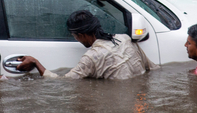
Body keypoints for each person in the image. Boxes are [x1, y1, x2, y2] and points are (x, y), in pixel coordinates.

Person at [16, 9, 157, 79]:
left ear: (82, 35)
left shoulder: (92, 57)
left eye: (75, 36)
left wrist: (36, 62)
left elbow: (61, 82)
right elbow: (151, 68)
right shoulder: (124, 38)